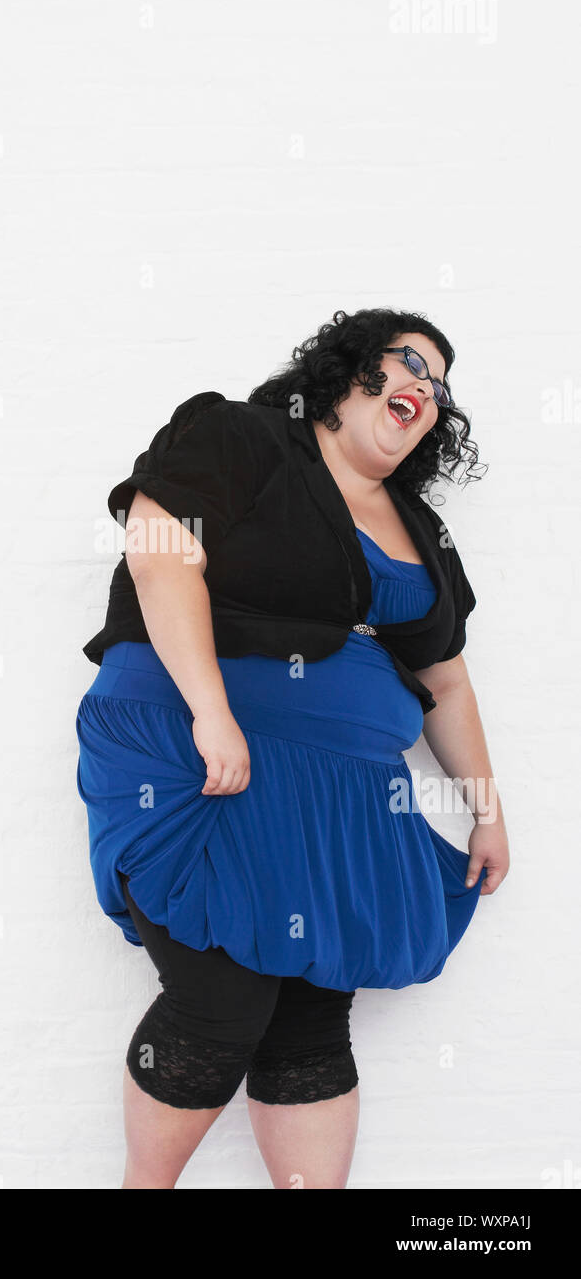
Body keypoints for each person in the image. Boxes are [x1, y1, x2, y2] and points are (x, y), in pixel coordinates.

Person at [75, 307, 510, 1189]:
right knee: (220, 998)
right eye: (410, 362)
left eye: (441, 383)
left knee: (311, 1010)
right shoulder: (240, 436)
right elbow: (160, 550)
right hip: (200, 756)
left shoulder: (420, 529)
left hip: (339, 794)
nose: (426, 387)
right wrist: (210, 710)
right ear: (349, 370)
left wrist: (488, 813)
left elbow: (449, 682)